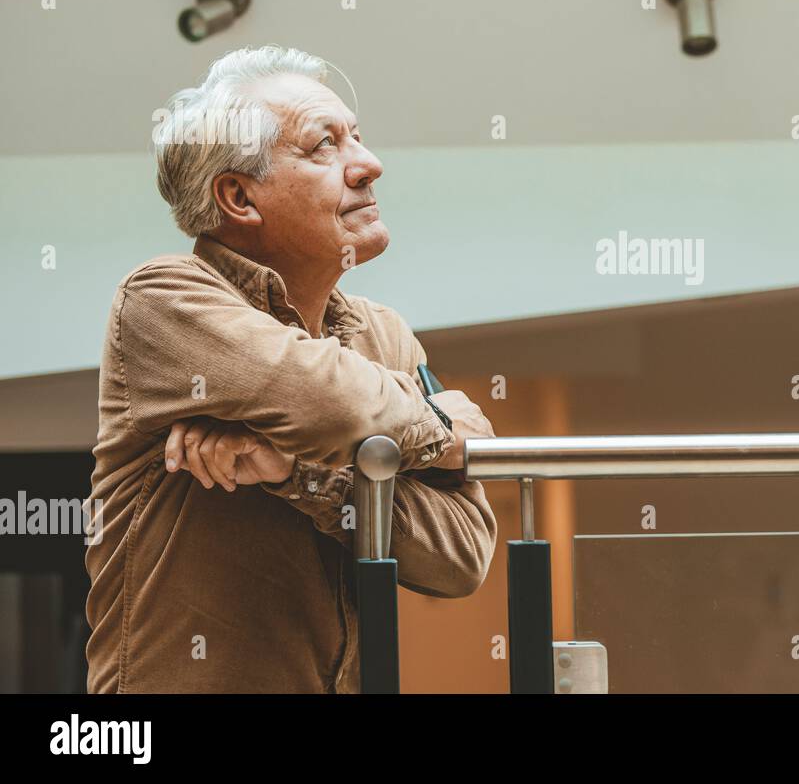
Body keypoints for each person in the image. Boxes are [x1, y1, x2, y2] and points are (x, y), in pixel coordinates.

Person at [85, 46, 497, 692]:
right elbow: (333, 405)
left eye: (356, 136)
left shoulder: (384, 333)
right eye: (323, 145)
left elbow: (461, 557)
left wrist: (297, 472)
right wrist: (444, 429)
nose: (369, 164)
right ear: (238, 196)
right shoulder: (163, 297)